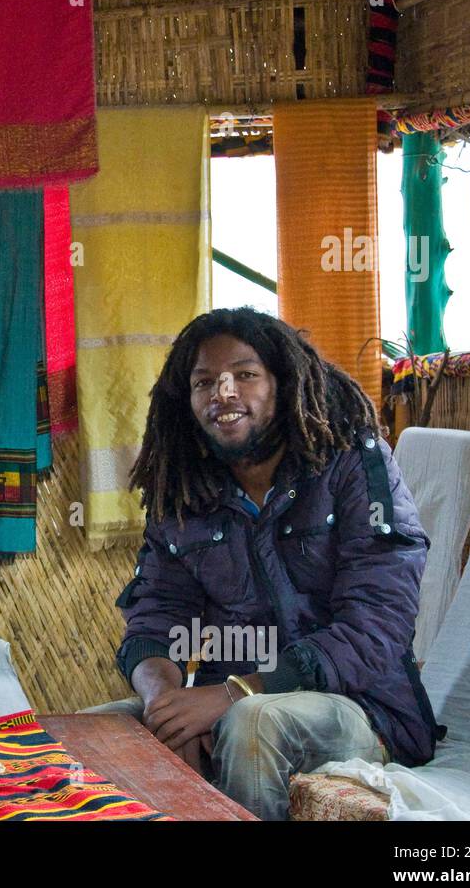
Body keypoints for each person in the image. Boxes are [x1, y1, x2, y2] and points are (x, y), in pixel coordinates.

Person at [111, 307, 441, 820]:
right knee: (102, 728)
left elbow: (378, 625)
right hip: (227, 698)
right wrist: (166, 703)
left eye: (244, 375)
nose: (223, 393)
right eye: (204, 382)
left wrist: (234, 693)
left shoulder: (354, 465)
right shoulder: (185, 490)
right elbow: (158, 613)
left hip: (362, 706)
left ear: (282, 384)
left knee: (254, 722)